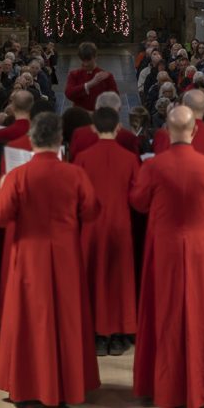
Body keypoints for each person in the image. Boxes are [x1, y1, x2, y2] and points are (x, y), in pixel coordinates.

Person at [0, 113, 101, 406]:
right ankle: (65, 384)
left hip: (28, 255)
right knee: (66, 319)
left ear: (33, 140)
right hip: (66, 254)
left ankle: (28, 386)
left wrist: (2, 188)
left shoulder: (18, 175)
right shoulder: (74, 173)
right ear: (59, 140)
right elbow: (91, 212)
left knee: (28, 319)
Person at [131, 106, 204, 408]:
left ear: (167, 130)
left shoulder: (154, 166)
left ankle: (161, 384)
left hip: (165, 249)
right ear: (195, 130)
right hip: (200, 248)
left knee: (163, 312)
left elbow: (138, 201)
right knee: (202, 314)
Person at [73, 107, 140, 357]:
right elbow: (138, 197)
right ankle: (119, 333)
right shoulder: (130, 158)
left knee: (94, 277)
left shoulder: (82, 157)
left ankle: (97, 334)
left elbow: (76, 196)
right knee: (119, 279)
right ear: (118, 128)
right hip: (121, 225)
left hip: (91, 226)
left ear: (93, 128)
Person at [68, 91, 140, 159]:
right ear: (117, 110)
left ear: (96, 108)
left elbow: (73, 159)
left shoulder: (79, 134)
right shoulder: (128, 137)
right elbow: (136, 164)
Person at [64, 41, 118, 112]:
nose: (85, 64)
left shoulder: (106, 76)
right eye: (83, 60)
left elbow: (116, 100)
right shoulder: (74, 75)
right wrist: (89, 84)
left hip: (99, 118)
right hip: (80, 117)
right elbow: (68, 93)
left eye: (88, 60)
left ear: (95, 57)